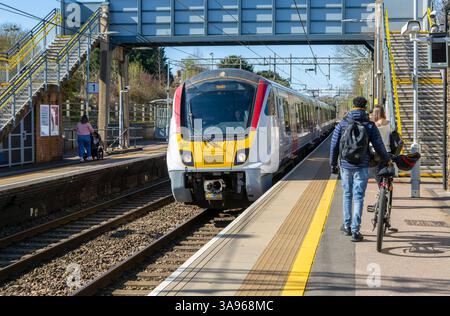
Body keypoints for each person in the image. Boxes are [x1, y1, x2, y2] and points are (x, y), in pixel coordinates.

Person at [330, 97, 390, 242]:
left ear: (353, 106)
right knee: (358, 198)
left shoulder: (343, 123)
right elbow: (379, 145)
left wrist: (333, 164)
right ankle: (356, 231)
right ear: (365, 107)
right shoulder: (369, 125)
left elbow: (334, 145)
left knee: (347, 194)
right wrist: (386, 159)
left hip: (345, 165)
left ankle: (347, 226)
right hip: (362, 166)